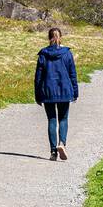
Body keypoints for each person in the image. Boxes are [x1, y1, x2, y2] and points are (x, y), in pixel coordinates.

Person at [34, 27, 78, 160]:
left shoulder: (43, 54)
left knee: (51, 120)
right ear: (61, 37)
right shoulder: (67, 53)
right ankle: (62, 143)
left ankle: (53, 152)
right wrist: (75, 92)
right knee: (63, 119)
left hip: (48, 91)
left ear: (49, 38)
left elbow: (38, 77)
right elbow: (72, 74)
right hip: (65, 90)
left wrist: (37, 94)